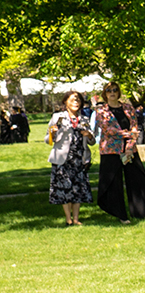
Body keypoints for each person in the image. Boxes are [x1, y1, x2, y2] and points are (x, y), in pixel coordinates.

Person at [92, 83, 145, 222]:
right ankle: (121, 214)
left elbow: (134, 126)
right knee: (114, 183)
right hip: (111, 150)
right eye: (109, 91)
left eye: (115, 90)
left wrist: (129, 144)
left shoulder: (128, 107)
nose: (112, 93)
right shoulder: (101, 111)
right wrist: (126, 134)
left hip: (129, 148)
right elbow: (107, 129)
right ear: (105, 94)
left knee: (139, 178)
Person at [47, 91, 94, 225]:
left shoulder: (84, 119)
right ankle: (68, 219)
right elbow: (48, 139)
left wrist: (89, 136)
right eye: (73, 99)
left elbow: (91, 141)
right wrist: (53, 133)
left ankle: (76, 219)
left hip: (80, 157)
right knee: (64, 188)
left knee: (78, 188)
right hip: (63, 158)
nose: (76, 102)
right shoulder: (58, 117)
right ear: (65, 102)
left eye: (78, 100)